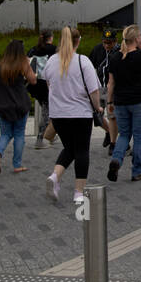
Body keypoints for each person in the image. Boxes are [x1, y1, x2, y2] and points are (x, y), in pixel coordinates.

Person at [43, 27, 102, 203]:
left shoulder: (51, 61)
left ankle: (55, 177)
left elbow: (49, 85)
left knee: (70, 148)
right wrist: (97, 108)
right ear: (79, 40)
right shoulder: (83, 61)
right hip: (81, 114)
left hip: (58, 114)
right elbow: (94, 91)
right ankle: (78, 192)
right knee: (82, 150)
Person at [106, 25, 141, 182]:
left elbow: (110, 83)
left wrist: (109, 101)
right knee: (139, 136)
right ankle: (137, 171)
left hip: (120, 102)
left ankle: (116, 160)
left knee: (124, 134)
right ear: (136, 39)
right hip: (139, 101)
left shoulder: (115, 58)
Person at [0, 40, 36, 173]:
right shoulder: (23, 65)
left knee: (5, 134)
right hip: (21, 104)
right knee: (19, 134)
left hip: (2, 105)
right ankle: (17, 164)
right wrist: (28, 65)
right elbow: (33, 80)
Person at [88, 29, 120, 149]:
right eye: (105, 42)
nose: (107, 45)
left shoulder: (119, 51)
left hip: (113, 89)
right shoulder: (97, 50)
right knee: (96, 115)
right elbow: (89, 66)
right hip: (99, 87)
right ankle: (108, 131)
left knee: (112, 116)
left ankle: (113, 142)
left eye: (110, 43)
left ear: (115, 41)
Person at [28, 30, 58, 149]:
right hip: (48, 84)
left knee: (47, 109)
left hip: (35, 85)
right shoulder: (54, 50)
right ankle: (41, 138)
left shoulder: (33, 49)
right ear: (51, 37)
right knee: (47, 112)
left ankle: (49, 135)